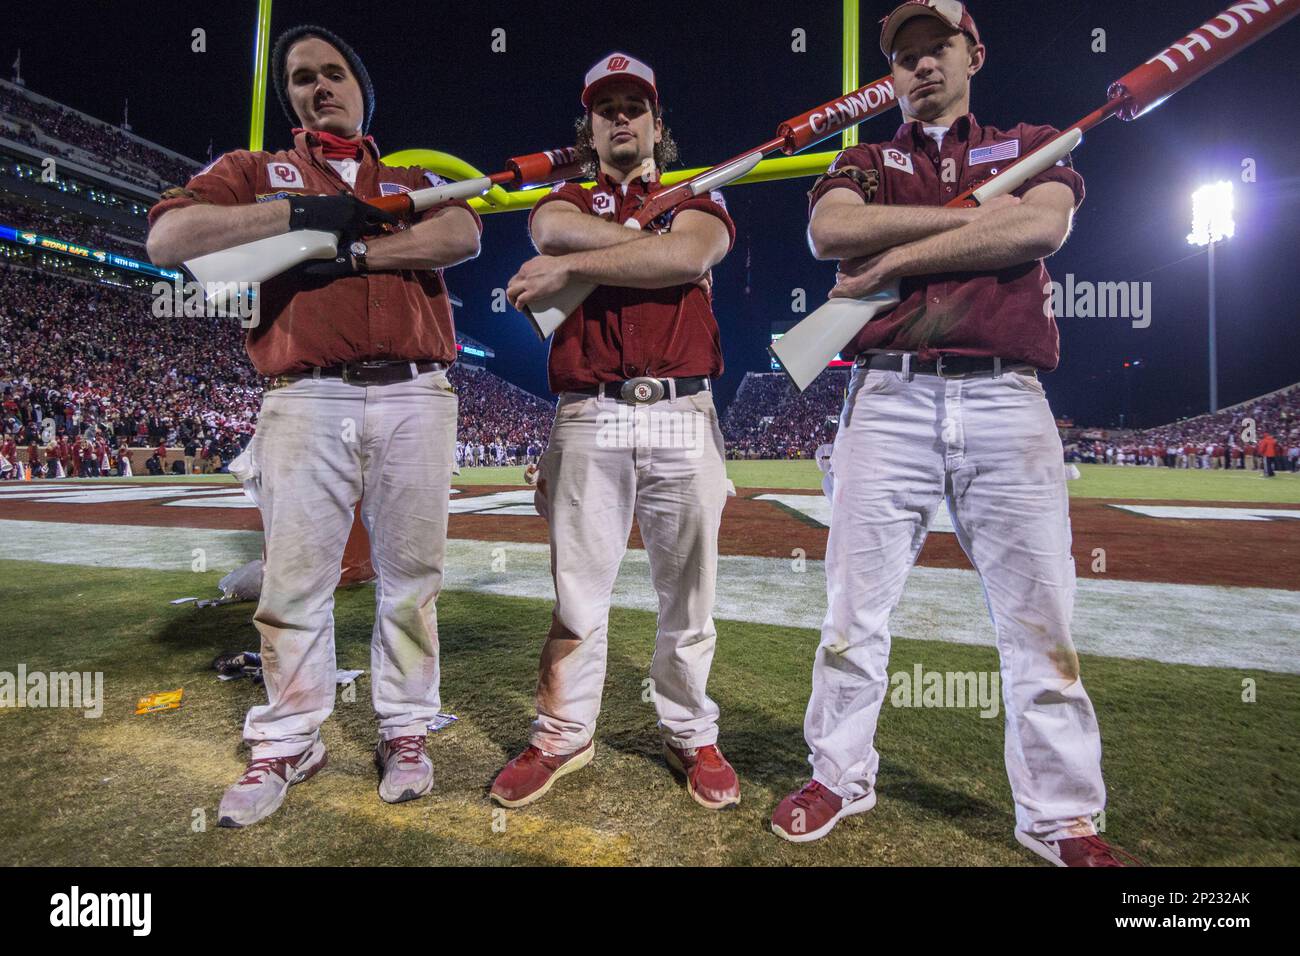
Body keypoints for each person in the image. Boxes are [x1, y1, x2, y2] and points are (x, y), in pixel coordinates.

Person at [770, 1, 1136, 866]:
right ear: (889, 75)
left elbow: (1042, 224)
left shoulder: (1032, 143)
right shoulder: (865, 157)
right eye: (905, 56)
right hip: (887, 396)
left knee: (1040, 620)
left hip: (1008, 398)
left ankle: (1060, 816)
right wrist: (976, 224)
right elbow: (832, 230)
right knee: (853, 613)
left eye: (939, 48)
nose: (922, 66)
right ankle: (839, 773)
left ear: (975, 53)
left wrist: (897, 258)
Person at [147, 23, 481, 827]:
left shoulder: (409, 174)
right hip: (307, 392)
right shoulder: (253, 170)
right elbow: (169, 238)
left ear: (363, 89)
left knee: (413, 579)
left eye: (333, 73)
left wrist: (348, 248)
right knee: (296, 583)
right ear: (289, 95)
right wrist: (299, 212)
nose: (318, 87)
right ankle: (291, 735)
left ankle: (405, 727)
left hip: (414, 389)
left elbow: (463, 232)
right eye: (301, 78)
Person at [492, 52, 739, 810]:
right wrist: (640, 255)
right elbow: (562, 234)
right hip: (588, 408)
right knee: (578, 589)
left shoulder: (695, 194)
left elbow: (689, 251)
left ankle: (690, 729)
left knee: (688, 591)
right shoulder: (560, 199)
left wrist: (575, 270)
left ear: (658, 124)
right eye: (607, 108)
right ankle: (564, 733)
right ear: (590, 126)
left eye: (636, 106)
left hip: (679, 406)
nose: (622, 117)